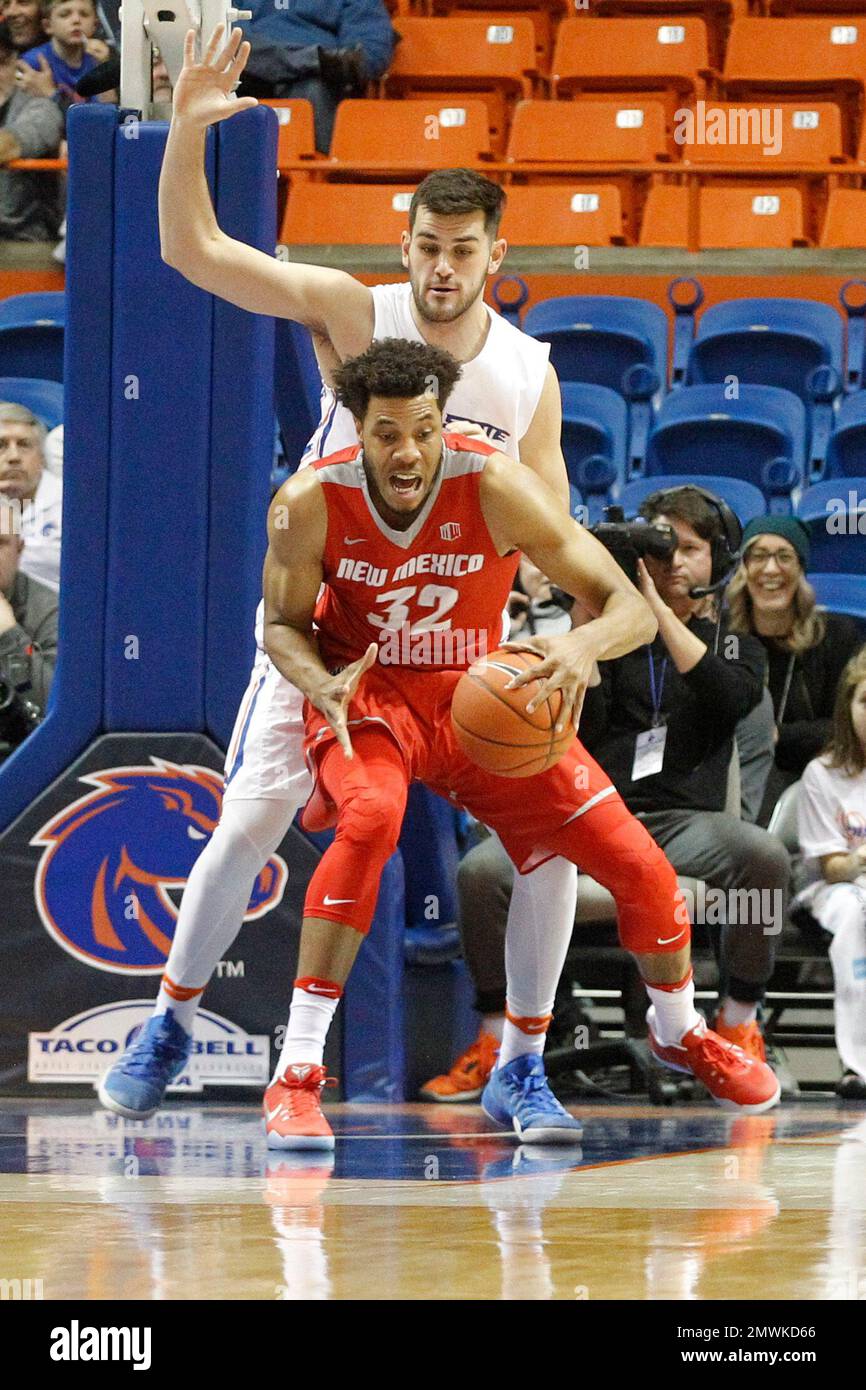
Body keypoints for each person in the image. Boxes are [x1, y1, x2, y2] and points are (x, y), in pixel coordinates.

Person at [94, 25, 588, 1124]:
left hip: (457, 648)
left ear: (496, 255)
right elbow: (195, 254)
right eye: (424, 246)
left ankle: (519, 1061)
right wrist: (183, 134)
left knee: (550, 834)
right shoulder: (358, 312)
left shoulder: (527, 375)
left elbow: (551, 525)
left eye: (462, 250)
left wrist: (564, 638)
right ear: (402, 245)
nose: (441, 268)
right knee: (251, 819)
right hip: (331, 631)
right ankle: (171, 1015)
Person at [423, 485, 794, 1100]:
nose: (673, 560)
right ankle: (494, 1036)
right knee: (481, 872)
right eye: (661, 546)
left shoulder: (735, 640)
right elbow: (570, 725)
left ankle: (737, 1023)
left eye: (690, 548)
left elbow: (729, 696)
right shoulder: (609, 638)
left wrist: (653, 608)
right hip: (590, 816)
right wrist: (590, 617)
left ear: (717, 558)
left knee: (764, 858)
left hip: (684, 822)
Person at [727, 515, 863, 826]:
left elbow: (846, 727)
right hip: (736, 772)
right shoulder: (726, 637)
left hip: (812, 772)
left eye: (784, 556)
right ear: (743, 568)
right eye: (758, 556)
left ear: (800, 569)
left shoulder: (835, 636)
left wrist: (776, 736)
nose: (771, 569)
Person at [793, 647, 866, 1100]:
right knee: (858, 918)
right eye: (865, 702)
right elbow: (834, 866)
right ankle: (859, 1064)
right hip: (834, 892)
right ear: (848, 708)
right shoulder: (822, 774)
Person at [238, 0, 397, 153]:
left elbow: (370, 51)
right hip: (246, 75)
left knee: (313, 88)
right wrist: (316, 59)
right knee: (233, 56)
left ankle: (317, 173)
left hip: (320, 83)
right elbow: (229, 37)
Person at [0, 495, 57, 757]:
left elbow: (54, 710)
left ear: (19, 550)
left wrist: (10, 636)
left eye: (0, 544)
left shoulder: (48, 611)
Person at [0, 20, 62, 240]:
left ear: (15, 62)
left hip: (25, 239)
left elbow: (8, 146)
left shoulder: (41, 107)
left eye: (1, 62)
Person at [0, 402, 61, 589]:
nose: (14, 457)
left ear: (42, 457)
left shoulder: (71, 506)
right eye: (1, 445)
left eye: (24, 445)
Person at [18, 0, 101, 107]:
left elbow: (104, 116)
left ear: (95, 25)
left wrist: (52, 94)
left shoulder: (97, 60)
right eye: (65, 15)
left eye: (84, 14)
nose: (76, 20)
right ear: (48, 26)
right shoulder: (32, 63)